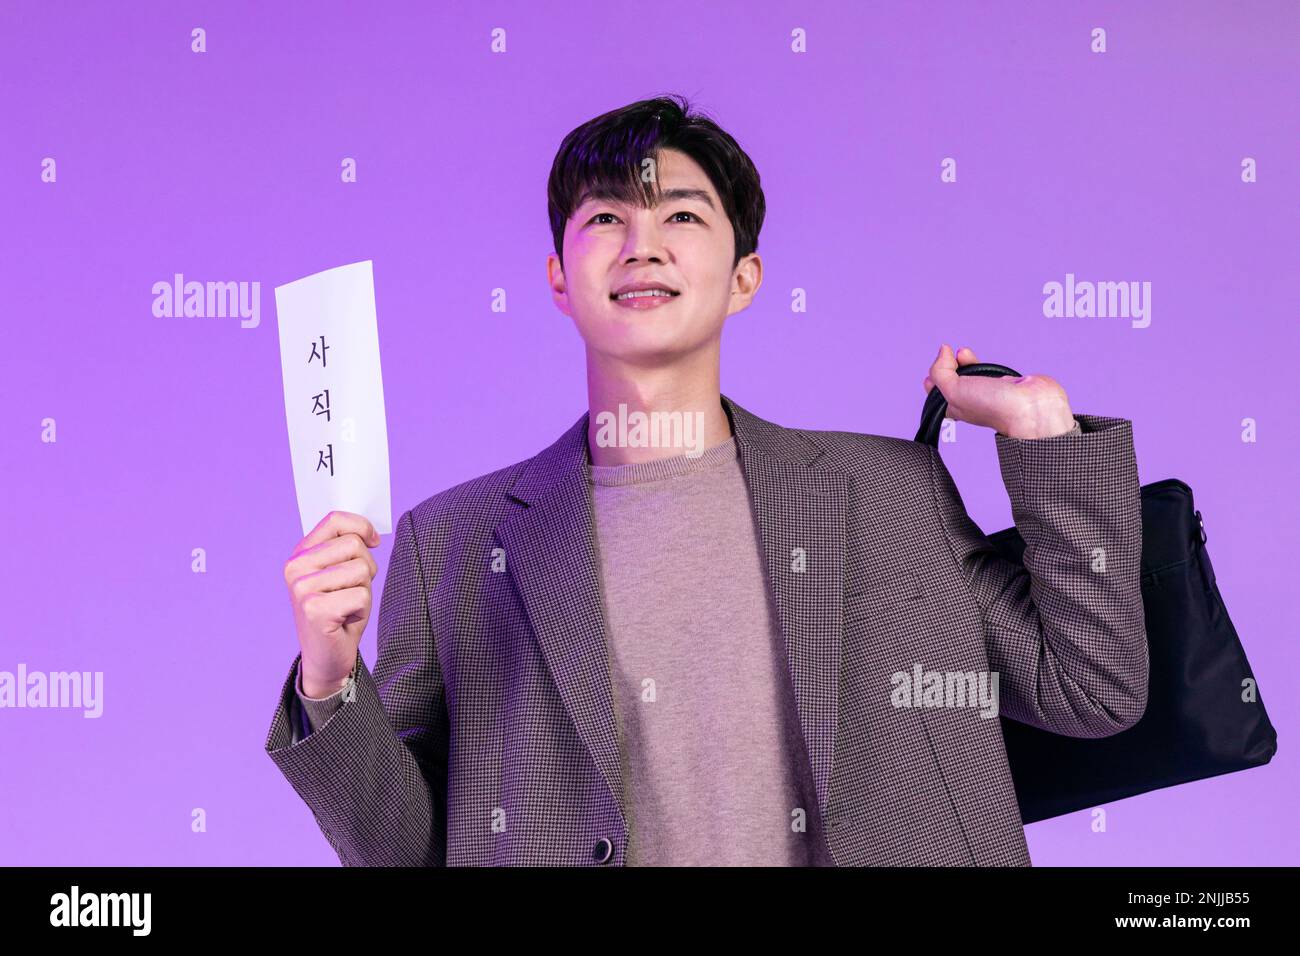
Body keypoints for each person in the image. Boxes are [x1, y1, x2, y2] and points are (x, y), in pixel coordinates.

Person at [266, 93, 1147, 866]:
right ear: (558, 281)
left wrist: (1045, 437)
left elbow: (1093, 688)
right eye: (606, 219)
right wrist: (330, 678)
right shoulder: (453, 544)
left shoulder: (888, 491)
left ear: (744, 279)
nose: (641, 246)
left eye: (681, 217)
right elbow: (403, 853)